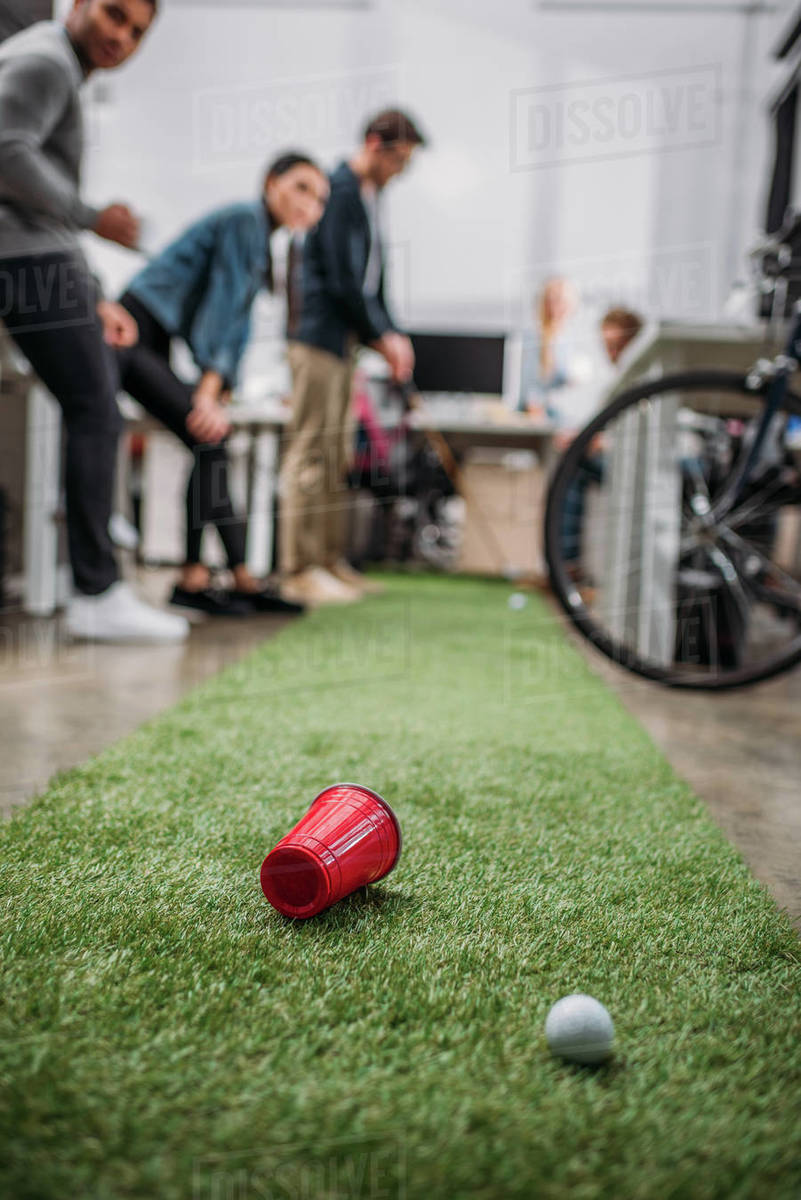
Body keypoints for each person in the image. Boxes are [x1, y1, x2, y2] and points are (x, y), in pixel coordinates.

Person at [0, 0, 190, 642]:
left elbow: (43, 204)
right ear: (79, 4)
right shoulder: (46, 61)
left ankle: (93, 549)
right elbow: (4, 151)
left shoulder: (51, 63)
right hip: (23, 258)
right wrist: (92, 216)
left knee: (94, 404)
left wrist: (97, 293)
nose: (121, 37)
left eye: (136, 32)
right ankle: (97, 589)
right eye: (113, 14)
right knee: (95, 406)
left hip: (37, 254)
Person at [117, 153, 330, 616]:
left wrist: (219, 383)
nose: (309, 205)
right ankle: (218, 577)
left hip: (156, 342)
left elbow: (234, 321)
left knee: (210, 442)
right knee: (209, 436)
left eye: (319, 200)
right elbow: (222, 308)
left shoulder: (260, 234)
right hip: (131, 334)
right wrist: (209, 390)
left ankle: (224, 576)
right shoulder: (245, 221)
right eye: (301, 188)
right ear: (271, 183)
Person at [280, 109, 427, 606]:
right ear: (375, 145)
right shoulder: (339, 190)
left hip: (344, 345)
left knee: (336, 454)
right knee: (311, 454)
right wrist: (380, 336)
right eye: (399, 160)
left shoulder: (368, 198)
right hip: (317, 338)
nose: (400, 172)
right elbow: (344, 281)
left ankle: (326, 560)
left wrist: (391, 333)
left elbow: (373, 281)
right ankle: (298, 568)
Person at [560, 307, 644, 566]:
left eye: (618, 346)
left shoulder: (647, 378)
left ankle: (568, 563)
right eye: (608, 346)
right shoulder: (616, 383)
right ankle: (567, 563)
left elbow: (646, 439)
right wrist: (584, 439)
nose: (612, 354)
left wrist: (603, 444)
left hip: (641, 464)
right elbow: (605, 428)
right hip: (623, 458)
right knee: (574, 459)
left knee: (576, 465)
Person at [518, 278, 579, 416]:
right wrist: (533, 406)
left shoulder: (567, 337)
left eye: (561, 300)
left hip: (561, 412)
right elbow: (528, 382)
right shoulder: (533, 335)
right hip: (538, 412)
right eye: (551, 300)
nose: (555, 307)